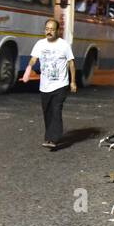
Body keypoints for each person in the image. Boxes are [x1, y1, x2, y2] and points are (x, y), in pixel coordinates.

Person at [22, 17, 77, 149]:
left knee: (56, 110)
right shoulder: (40, 44)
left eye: (52, 29)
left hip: (60, 84)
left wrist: (73, 82)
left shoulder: (64, 45)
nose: (49, 32)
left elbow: (71, 63)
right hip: (44, 86)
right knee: (47, 112)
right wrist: (28, 70)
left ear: (58, 31)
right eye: (47, 29)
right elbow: (33, 59)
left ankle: (53, 139)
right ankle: (49, 137)